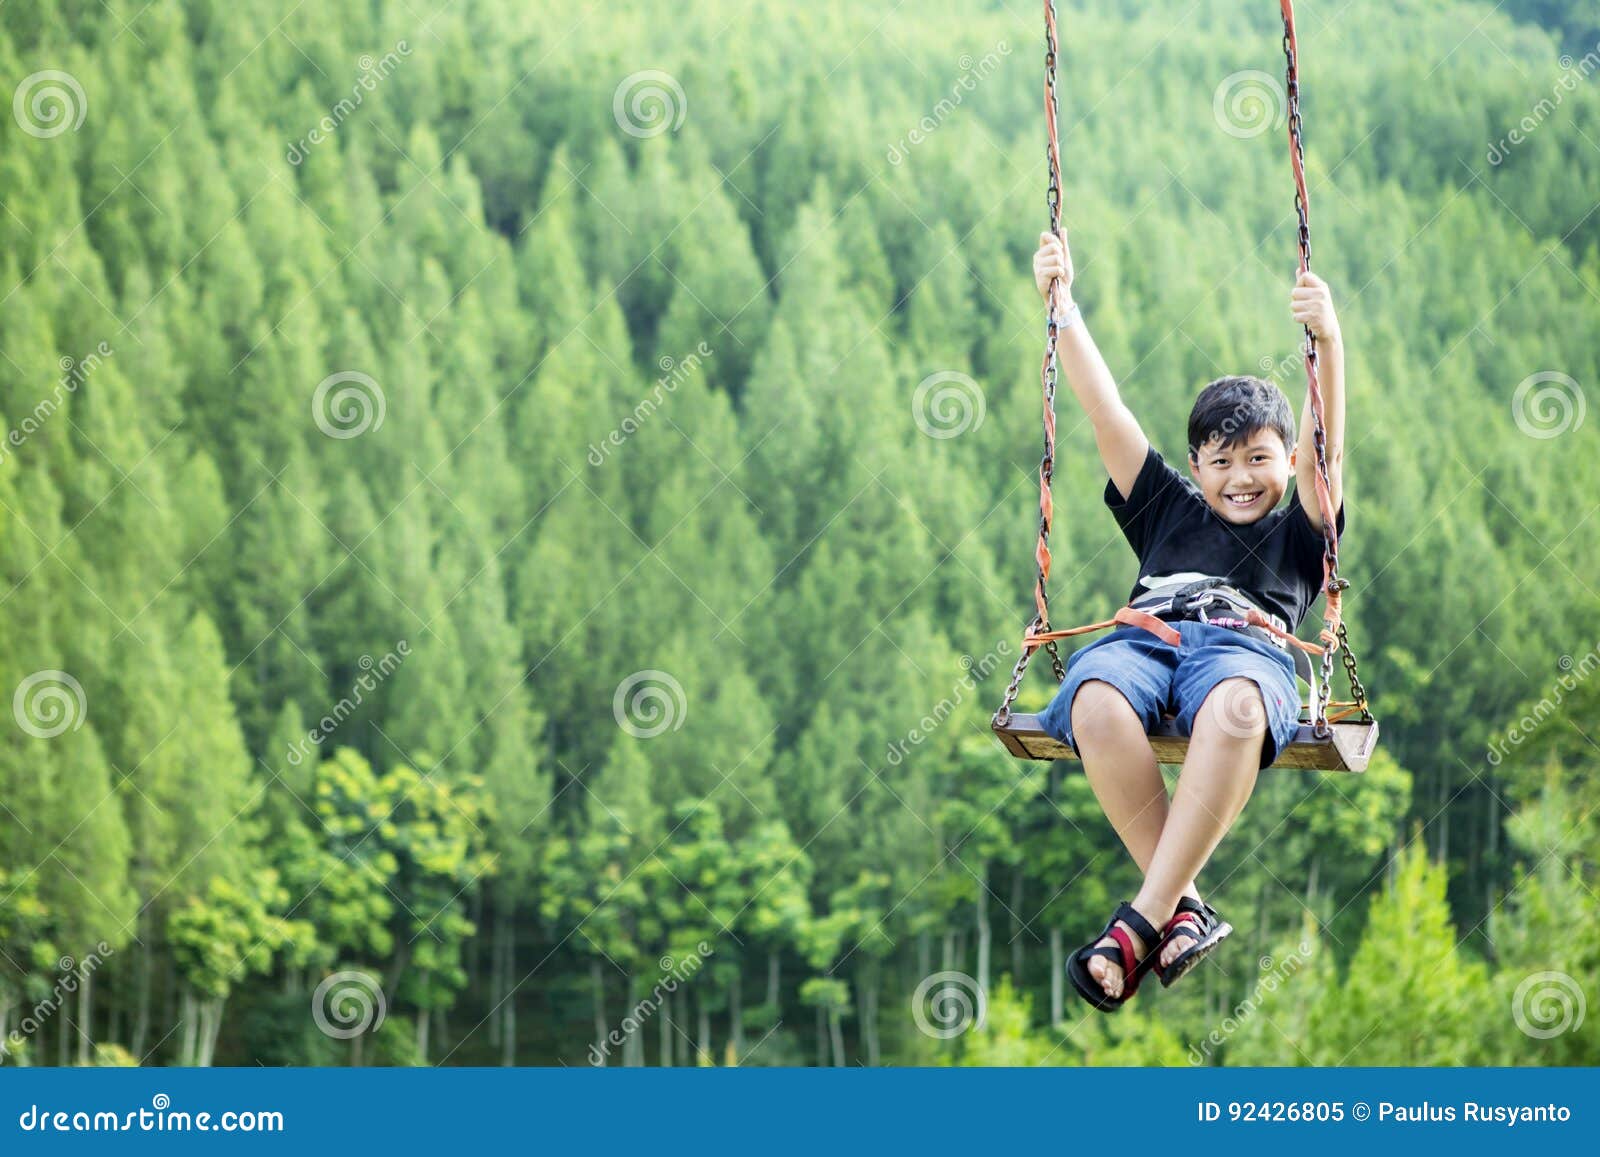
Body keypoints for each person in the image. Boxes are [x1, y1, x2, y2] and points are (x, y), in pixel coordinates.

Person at [1029, 228, 1345, 1011]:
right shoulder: (1168, 504)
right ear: (1196, 466)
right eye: (1221, 460)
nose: (1240, 477)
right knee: (1094, 697)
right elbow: (1105, 409)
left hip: (1245, 650)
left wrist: (1328, 342)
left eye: (1259, 458)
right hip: (1147, 638)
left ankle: (1139, 921)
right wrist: (1062, 307)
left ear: (1287, 464)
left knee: (1237, 706)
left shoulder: (1301, 525)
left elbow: (1326, 443)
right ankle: (1182, 908)